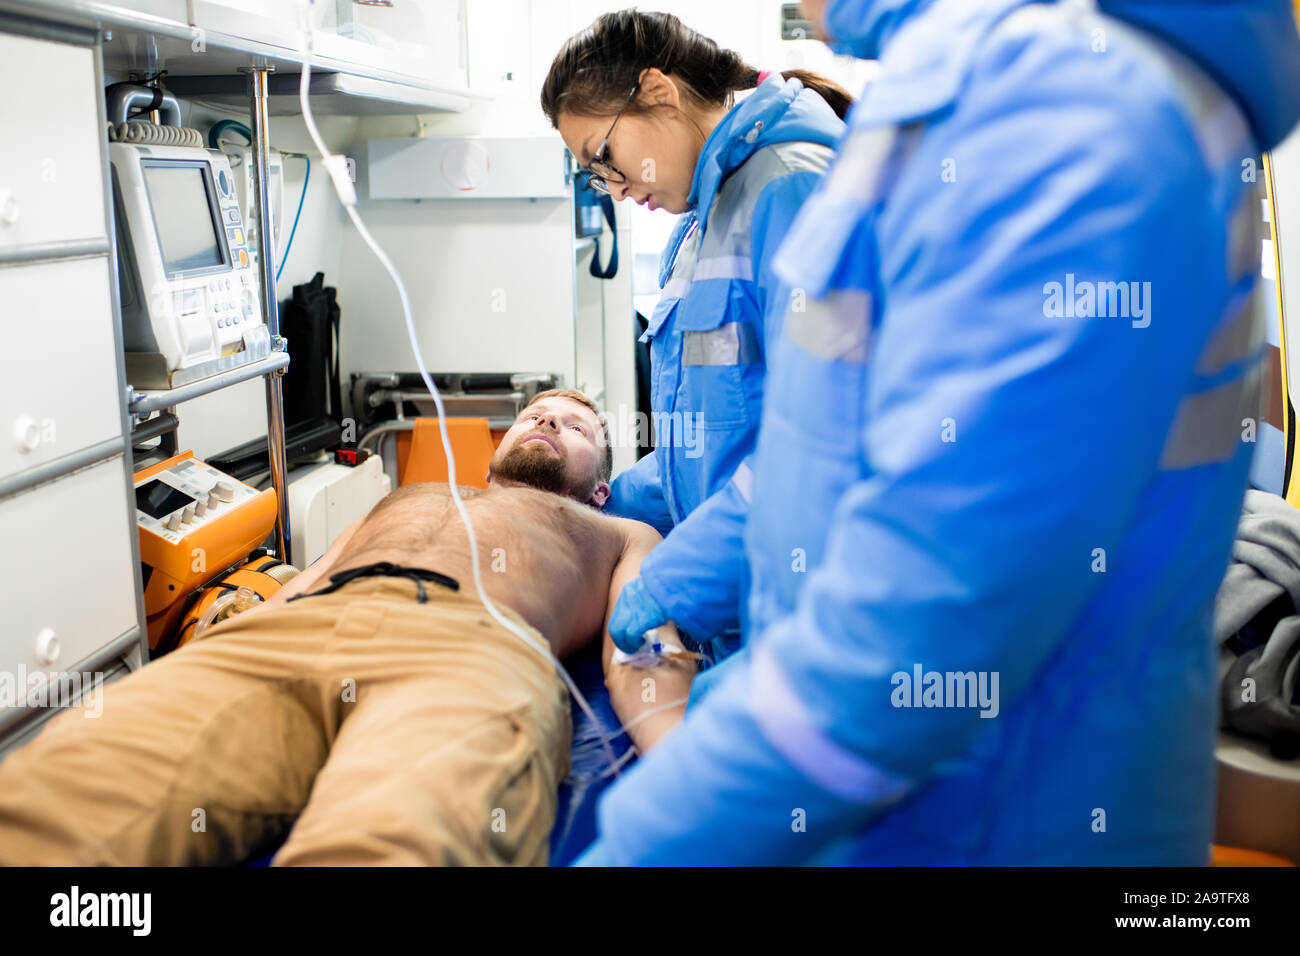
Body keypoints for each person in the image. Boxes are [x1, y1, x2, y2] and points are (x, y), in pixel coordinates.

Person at [577, 0, 1300, 865]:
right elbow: (824, 449)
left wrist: (647, 843)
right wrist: (668, 584)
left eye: (601, 159)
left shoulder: (1069, 107)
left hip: (1020, 812)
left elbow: (931, 620)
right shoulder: (928, 108)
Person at [0, 390, 695, 866]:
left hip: (471, 650)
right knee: (54, 796)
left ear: (601, 485)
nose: (546, 423)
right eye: (535, 415)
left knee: (395, 839)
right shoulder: (409, 496)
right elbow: (295, 588)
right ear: (495, 448)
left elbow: (642, 652)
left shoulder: (616, 530)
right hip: (295, 635)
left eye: (575, 428)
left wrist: (686, 773)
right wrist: (162, 686)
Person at [541, 10, 849, 660]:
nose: (615, 190)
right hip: (744, 600)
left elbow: (829, 438)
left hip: (803, 603)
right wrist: (602, 511)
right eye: (595, 177)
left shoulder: (791, 189)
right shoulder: (701, 224)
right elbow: (713, 436)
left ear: (659, 92)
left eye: (605, 156)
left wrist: (679, 576)